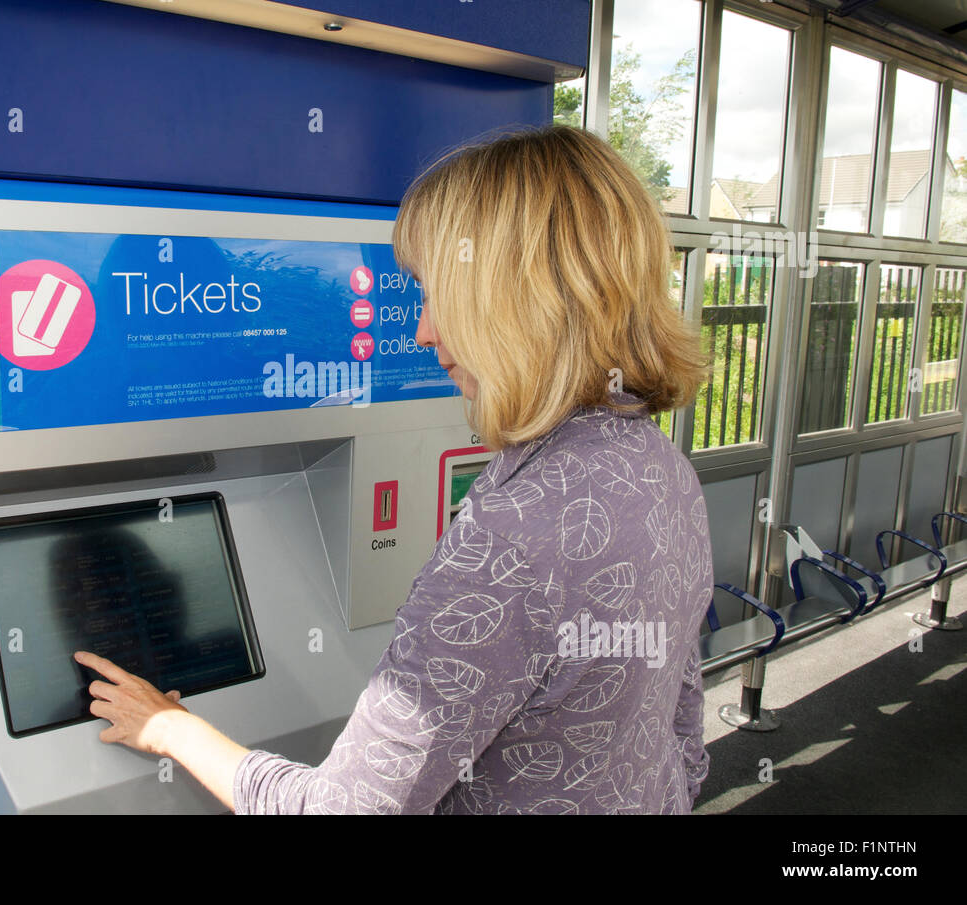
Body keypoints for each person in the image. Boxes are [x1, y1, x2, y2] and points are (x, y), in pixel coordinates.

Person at [75, 125, 714, 814]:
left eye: (439, 293)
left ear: (515, 300)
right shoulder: (659, 465)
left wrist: (171, 726)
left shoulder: (513, 535)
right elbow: (684, 737)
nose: (423, 332)